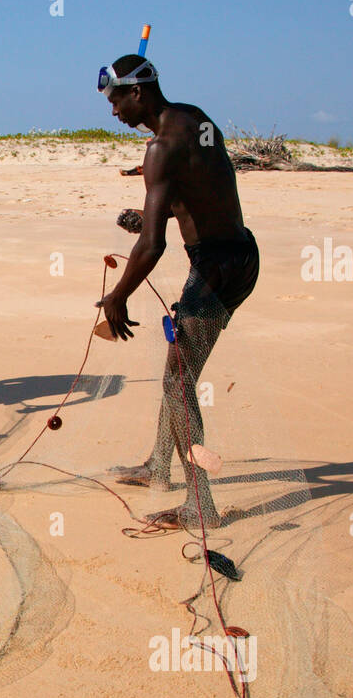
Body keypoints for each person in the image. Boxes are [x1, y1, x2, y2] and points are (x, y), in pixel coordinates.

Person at [96, 55, 259, 529]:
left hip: (214, 269)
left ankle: (200, 507)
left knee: (178, 382)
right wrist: (152, 213)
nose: (113, 112)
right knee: (177, 372)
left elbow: (152, 245)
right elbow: (201, 191)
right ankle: (156, 466)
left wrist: (117, 296)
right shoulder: (195, 119)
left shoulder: (159, 149)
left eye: (116, 100)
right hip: (243, 255)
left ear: (138, 93)